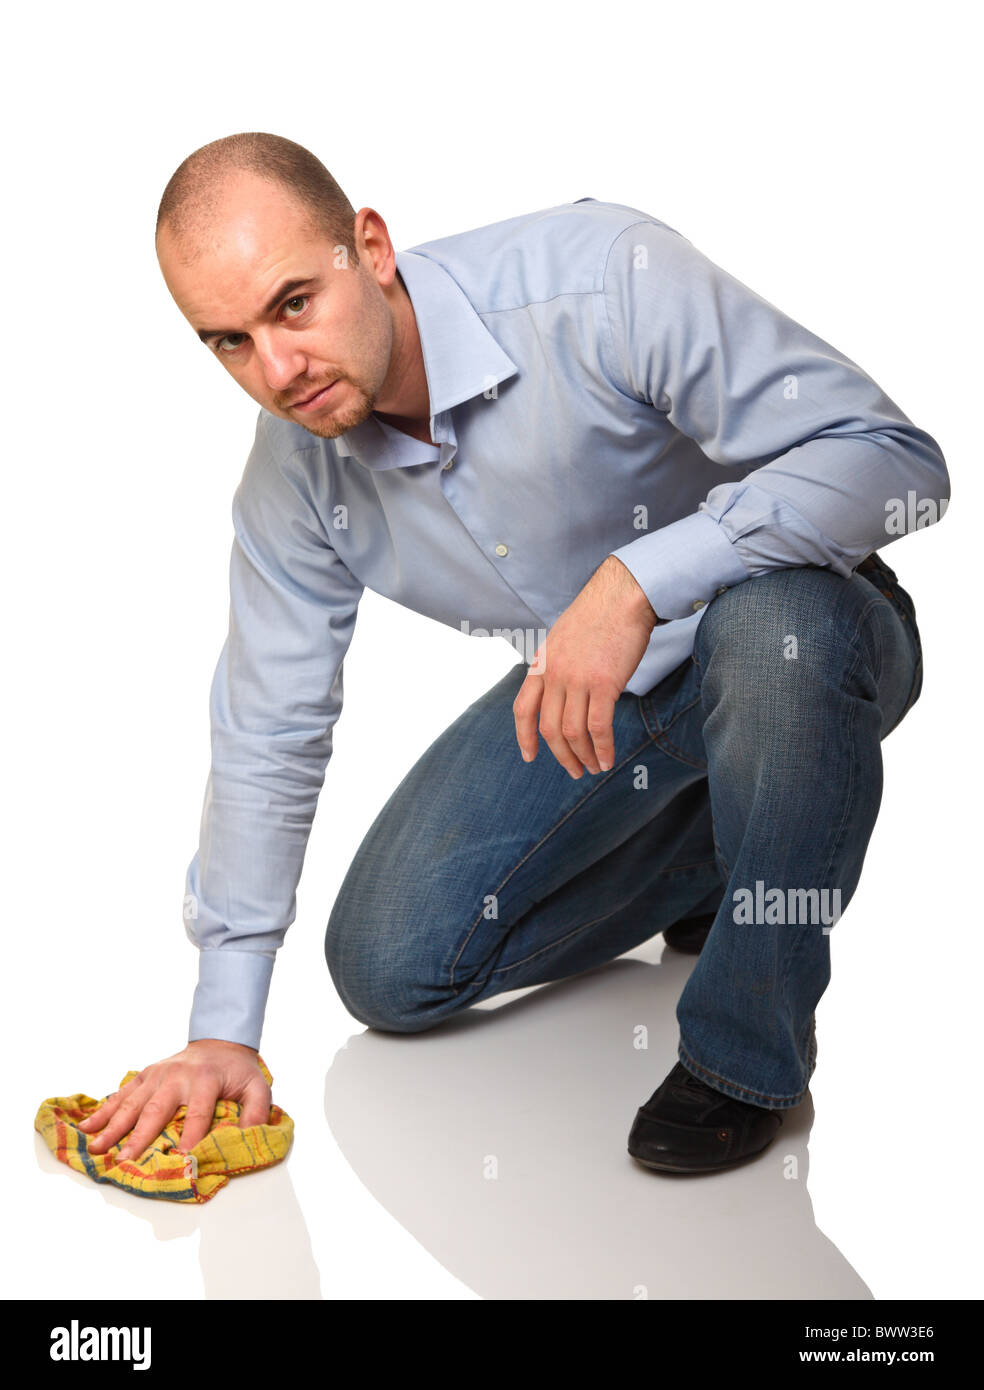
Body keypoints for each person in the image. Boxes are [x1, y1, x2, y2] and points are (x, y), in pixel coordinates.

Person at [78, 132, 947, 1176]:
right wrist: (224, 1023)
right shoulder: (295, 477)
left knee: (771, 639)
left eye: (293, 304)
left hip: (805, 630)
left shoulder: (600, 281)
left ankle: (746, 1052)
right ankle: (727, 854)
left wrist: (640, 578)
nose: (276, 370)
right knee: (389, 968)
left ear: (371, 245)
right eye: (227, 341)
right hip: (601, 701)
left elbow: (897, 459)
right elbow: (269, 725)